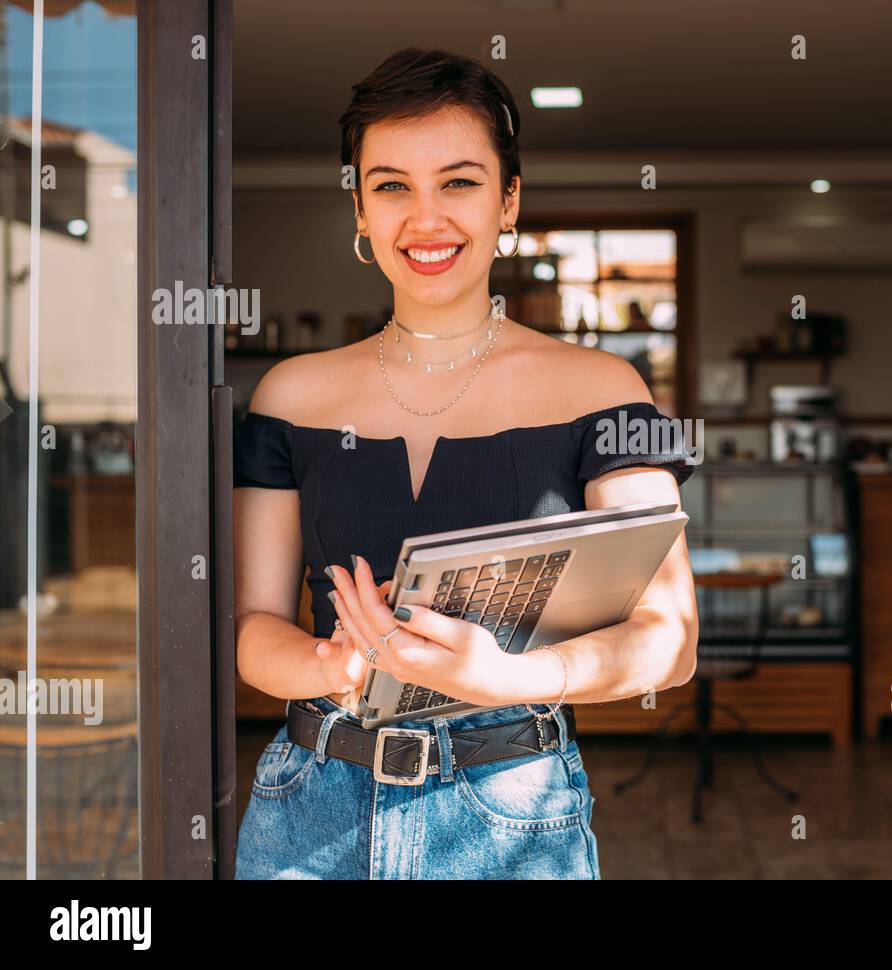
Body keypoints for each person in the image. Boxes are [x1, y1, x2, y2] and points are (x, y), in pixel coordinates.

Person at [232, 48, 698, 879]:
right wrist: (324, 665)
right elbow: (251, 629)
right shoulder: (289, 395)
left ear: (508, 199)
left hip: (512, 809)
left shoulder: (602, 389)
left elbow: (671, 641)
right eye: (390, 185)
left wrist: (510, 675)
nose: (425, 218)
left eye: (458, 181)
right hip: (309, 807)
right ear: (360, 209)